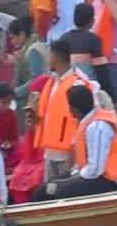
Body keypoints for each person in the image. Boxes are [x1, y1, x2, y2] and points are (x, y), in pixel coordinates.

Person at [36, 86, 117, 200]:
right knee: (45, 189)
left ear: (73, 109)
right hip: (92, 175)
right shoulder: (85, 123)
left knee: (58, 192)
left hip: (111, 180)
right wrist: (66, 178)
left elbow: (95, 169)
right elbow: (82, 165)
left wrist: (68, 182)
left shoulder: (97, 127)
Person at [34, 38, 100, 181]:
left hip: (67, 155)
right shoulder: (52, 82)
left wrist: (72, 159)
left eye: (50, 55)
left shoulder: (77, 83)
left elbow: (82, 121)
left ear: (55, 56)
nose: (48, 59)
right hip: (50, 152)